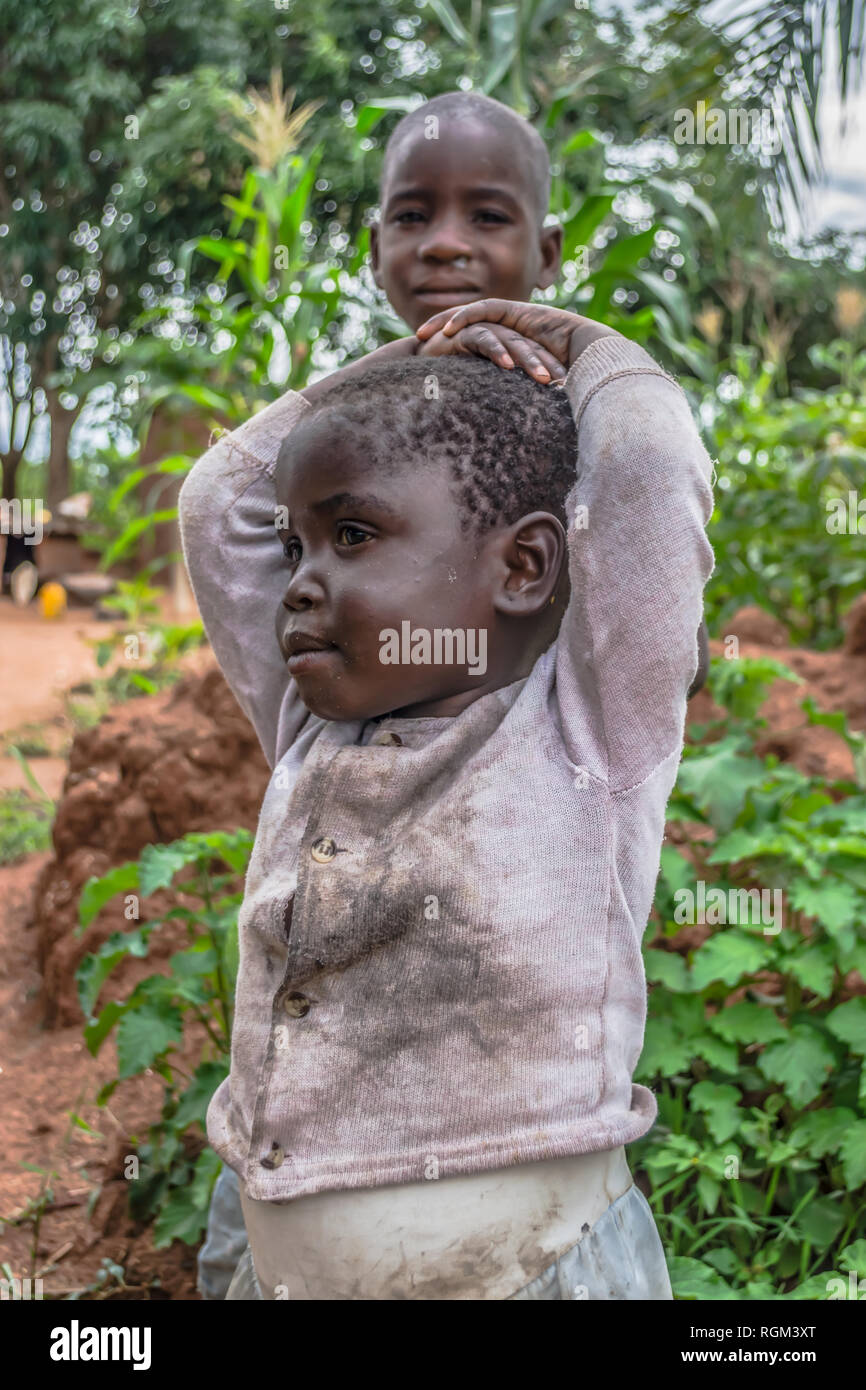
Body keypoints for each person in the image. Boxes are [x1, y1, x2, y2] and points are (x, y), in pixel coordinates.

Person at [186, 90, 713, 1301]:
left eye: (355, 536)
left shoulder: (586, 731)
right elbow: (221, 502)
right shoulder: (314, 720)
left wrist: (571, 344)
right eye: (304, 544)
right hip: (273, 1246)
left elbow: (642, 472)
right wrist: (404, 363)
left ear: (526, 566)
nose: (302, 584)